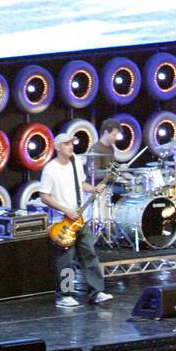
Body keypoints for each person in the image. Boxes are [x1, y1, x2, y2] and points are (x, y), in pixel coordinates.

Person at [40, 131, 113, 308]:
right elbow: (44, 196)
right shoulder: (50, 169)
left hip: (81, 218)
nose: (71, 146)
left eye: (71, 143)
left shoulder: (76, 164)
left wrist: (94, 189)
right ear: (57, 147)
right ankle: (64, 295)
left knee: (89, 254)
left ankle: (97, 292)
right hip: (62, 221)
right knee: (66, 260)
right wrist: (66, 210)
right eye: (66, 144)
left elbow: (81, 185)